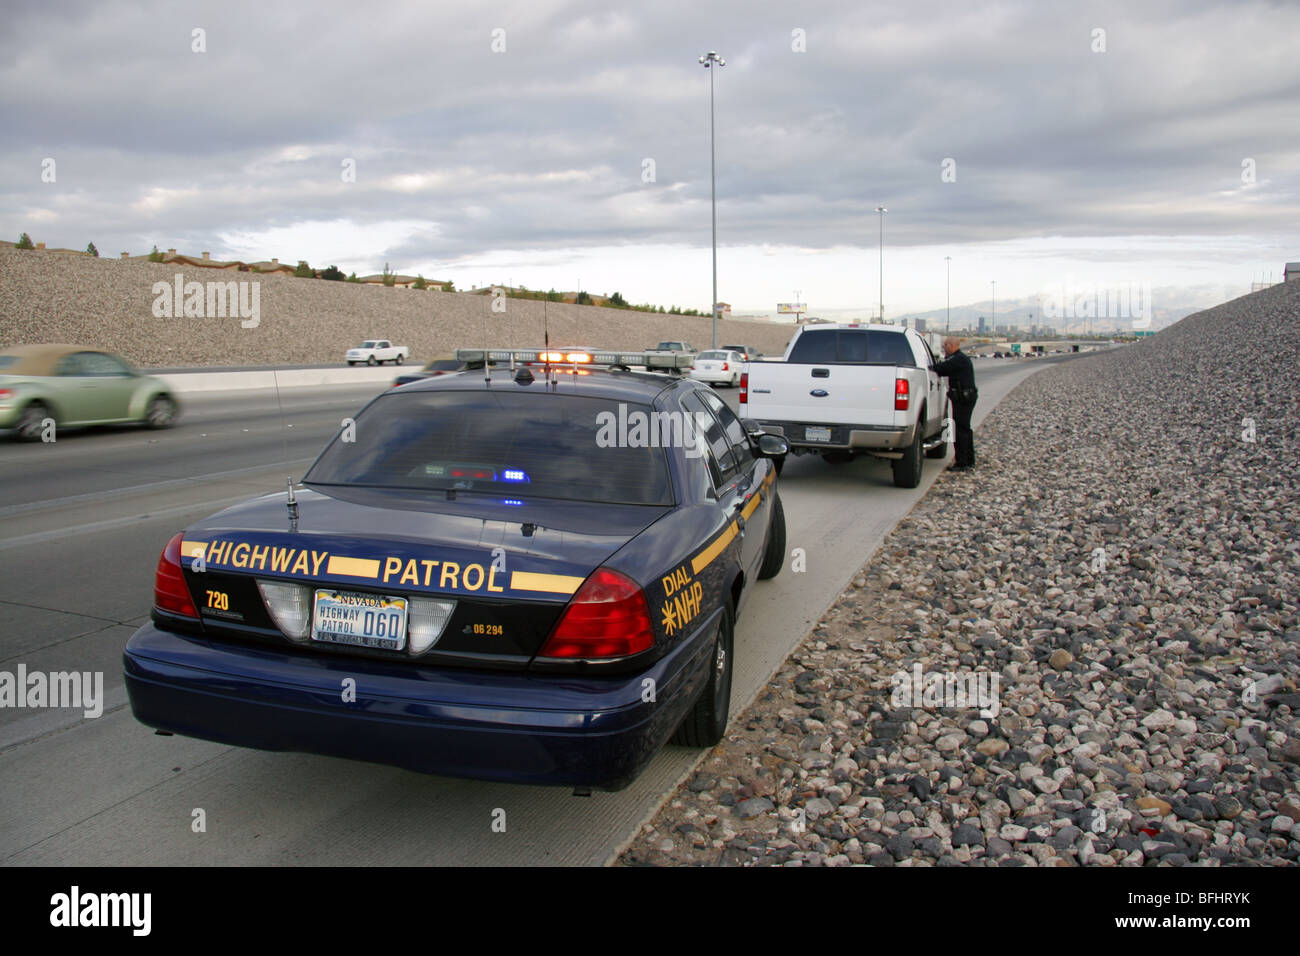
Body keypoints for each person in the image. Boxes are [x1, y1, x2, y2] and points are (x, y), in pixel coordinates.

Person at [932, 337, 977, 470]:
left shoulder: (958, 359)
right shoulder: (960, 358)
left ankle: (962, 462)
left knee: (960, 431)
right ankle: (969, 460)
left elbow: (940, 368)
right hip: (965, 397)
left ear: (951, 345)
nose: (944, 347)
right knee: (965, 429)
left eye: (945, 345)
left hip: (963, 398)